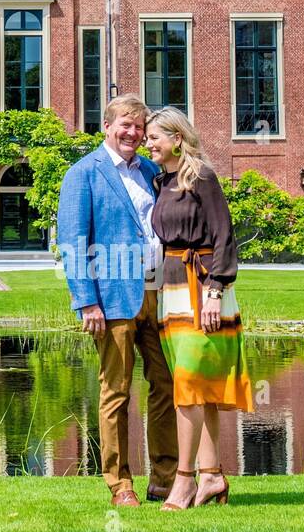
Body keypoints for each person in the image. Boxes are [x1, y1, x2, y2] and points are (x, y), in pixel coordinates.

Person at [57, 94, 176, 506]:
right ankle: (119, 484)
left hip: (157, 293)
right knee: (116, 392)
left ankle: (164, 478)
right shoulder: (82, 174)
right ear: (106, 127)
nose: (133, 133)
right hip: (111, 299)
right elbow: (72, 243)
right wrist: (87, 302)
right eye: (125, 125)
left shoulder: (150, 170)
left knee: (167, 385)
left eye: (139, 126)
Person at [144, 106, 254, 510]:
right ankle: (212, 477)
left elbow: (225, 236)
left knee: (189, 388)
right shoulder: (164, 181)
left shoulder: (201, 176)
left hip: (203, 287)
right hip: (172, 288)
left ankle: (185, 480)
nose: (147, 143)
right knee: (198, 389)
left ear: (177, 138)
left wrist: (214, 291)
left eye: (155, 136)